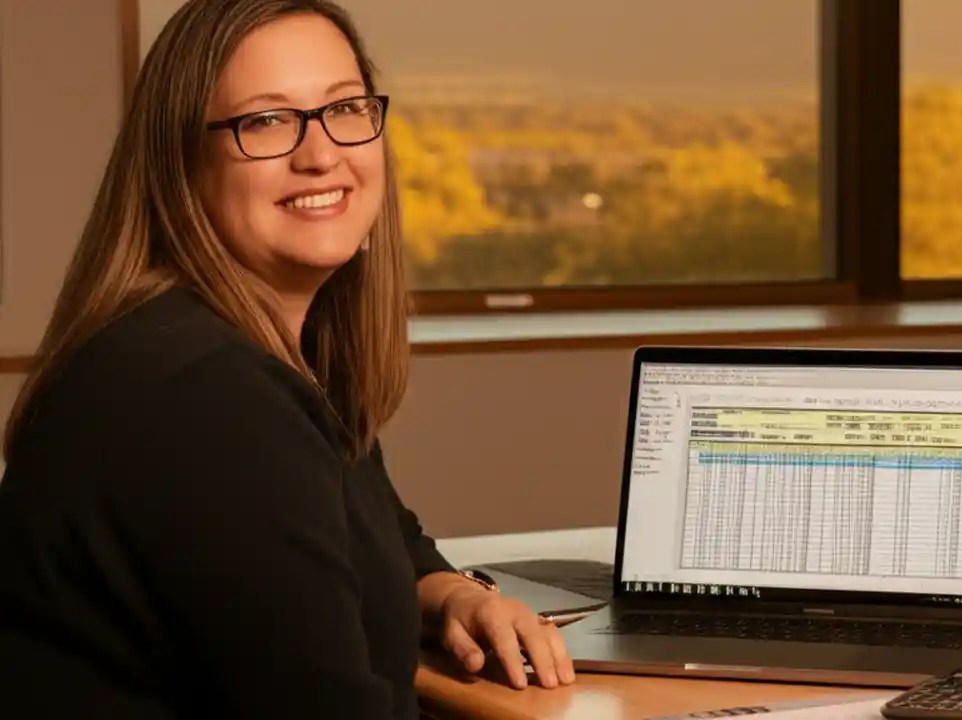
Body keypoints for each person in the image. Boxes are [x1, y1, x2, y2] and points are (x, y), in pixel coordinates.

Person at [0, 1, 574, 717]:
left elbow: (377, 532)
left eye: (344, 108)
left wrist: (457, 594)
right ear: (182, 163)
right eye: (266, 122)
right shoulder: (211, 399)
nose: (321, 153)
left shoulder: (217, 350)